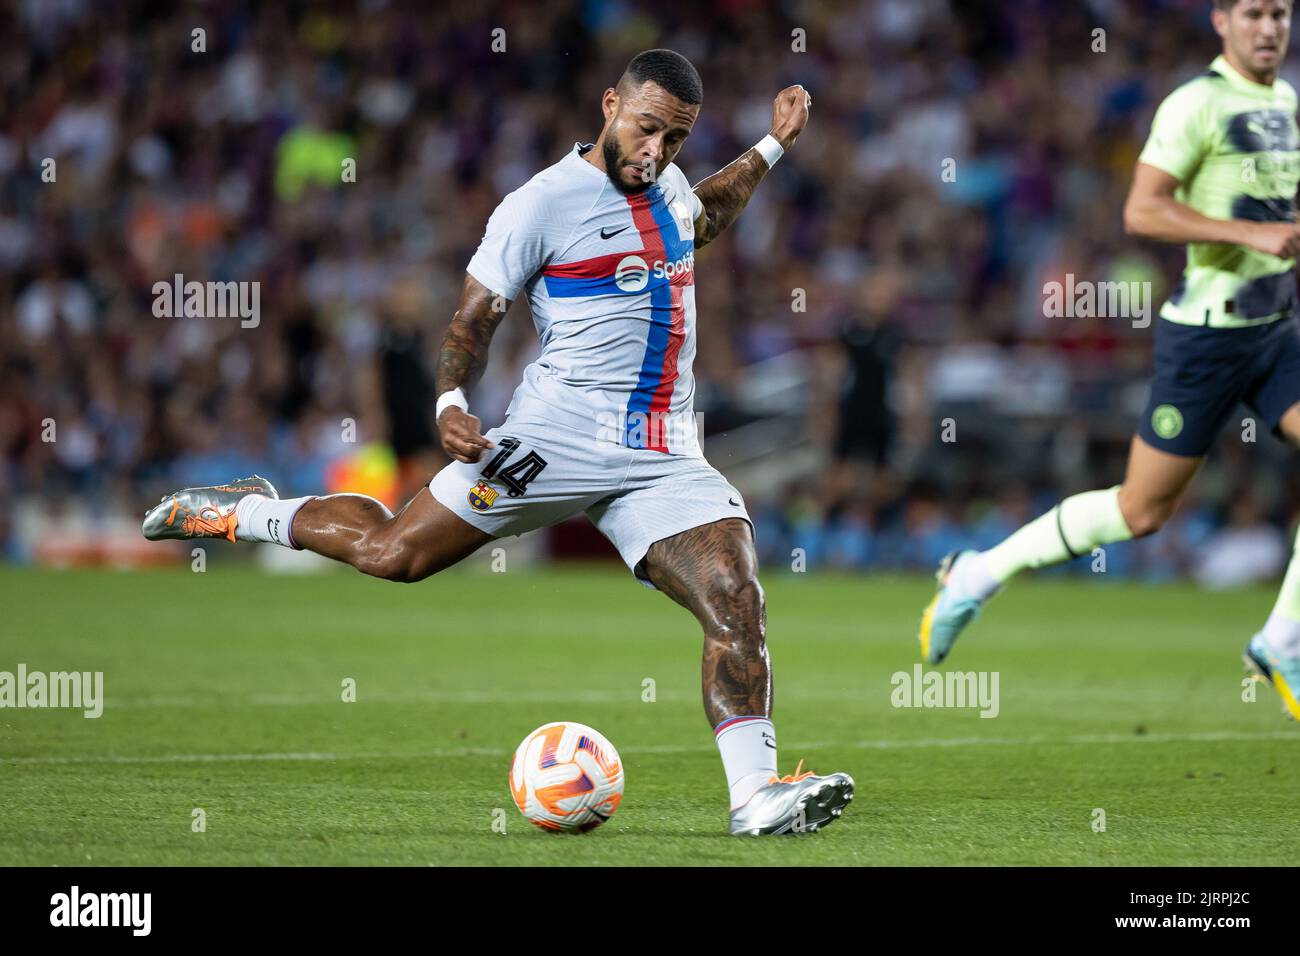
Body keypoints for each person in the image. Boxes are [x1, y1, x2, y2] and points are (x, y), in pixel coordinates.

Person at [143, 49, 853, 835]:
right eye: (646, 129)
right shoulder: (539, 204)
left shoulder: (669, 187)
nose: (656, 152)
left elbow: (703, 218)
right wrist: (450, 399)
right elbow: (471, 322)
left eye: (675, 140)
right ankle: (249, 513)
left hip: (664, 453)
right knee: (393, 556)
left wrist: (772, 145)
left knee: (737, 598)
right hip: (557, 437)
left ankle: (755, 798)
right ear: (610, 103)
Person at [918, 0, 1300, 722]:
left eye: (1280, 13)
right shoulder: (1196, 103)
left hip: (1277, 328)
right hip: (1208, 339)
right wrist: (1248, 233)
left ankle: (1282, 638)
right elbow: (1143, 211)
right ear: (1222, 21)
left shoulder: (1285, 100)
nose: (1269, 27)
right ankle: (981, 571)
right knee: (1142, 510)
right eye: (1253, 13)